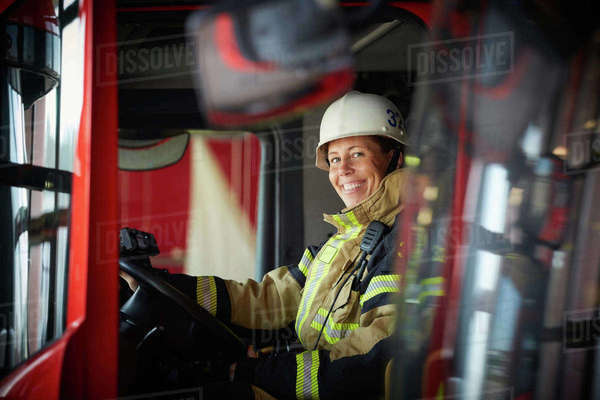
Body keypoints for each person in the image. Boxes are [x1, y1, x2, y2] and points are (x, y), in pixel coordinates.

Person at [124, 90, 408, 399]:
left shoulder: (409, 239)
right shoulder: (343, 241)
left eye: (357, 154)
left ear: (394, 158)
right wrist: (170, 287)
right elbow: (270, 298)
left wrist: (260, 373)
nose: (342, 170)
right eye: (335, 159)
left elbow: (375, 356)